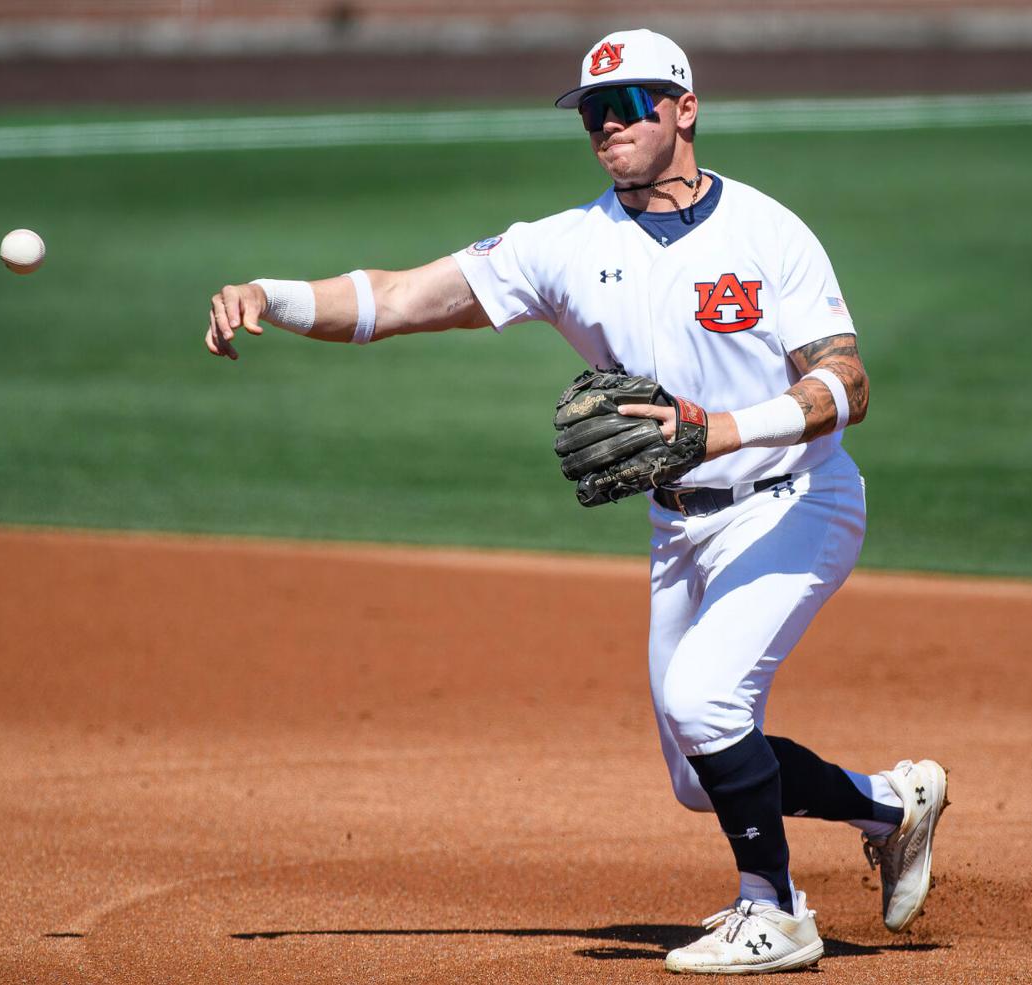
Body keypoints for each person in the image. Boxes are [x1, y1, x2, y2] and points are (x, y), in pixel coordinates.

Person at [204, 28, 948, 976]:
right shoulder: (560, 246)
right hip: (678, 522)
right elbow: (397, 297)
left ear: (685, 109)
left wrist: (719, 429)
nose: (606, 125)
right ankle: (891, 805)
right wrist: (268, 294)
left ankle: (775, 909)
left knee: (704, 699)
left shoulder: (769, 231)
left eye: (628, 105)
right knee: (700, 774)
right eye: (592, 110)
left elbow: (846, 383)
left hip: (796, 499)